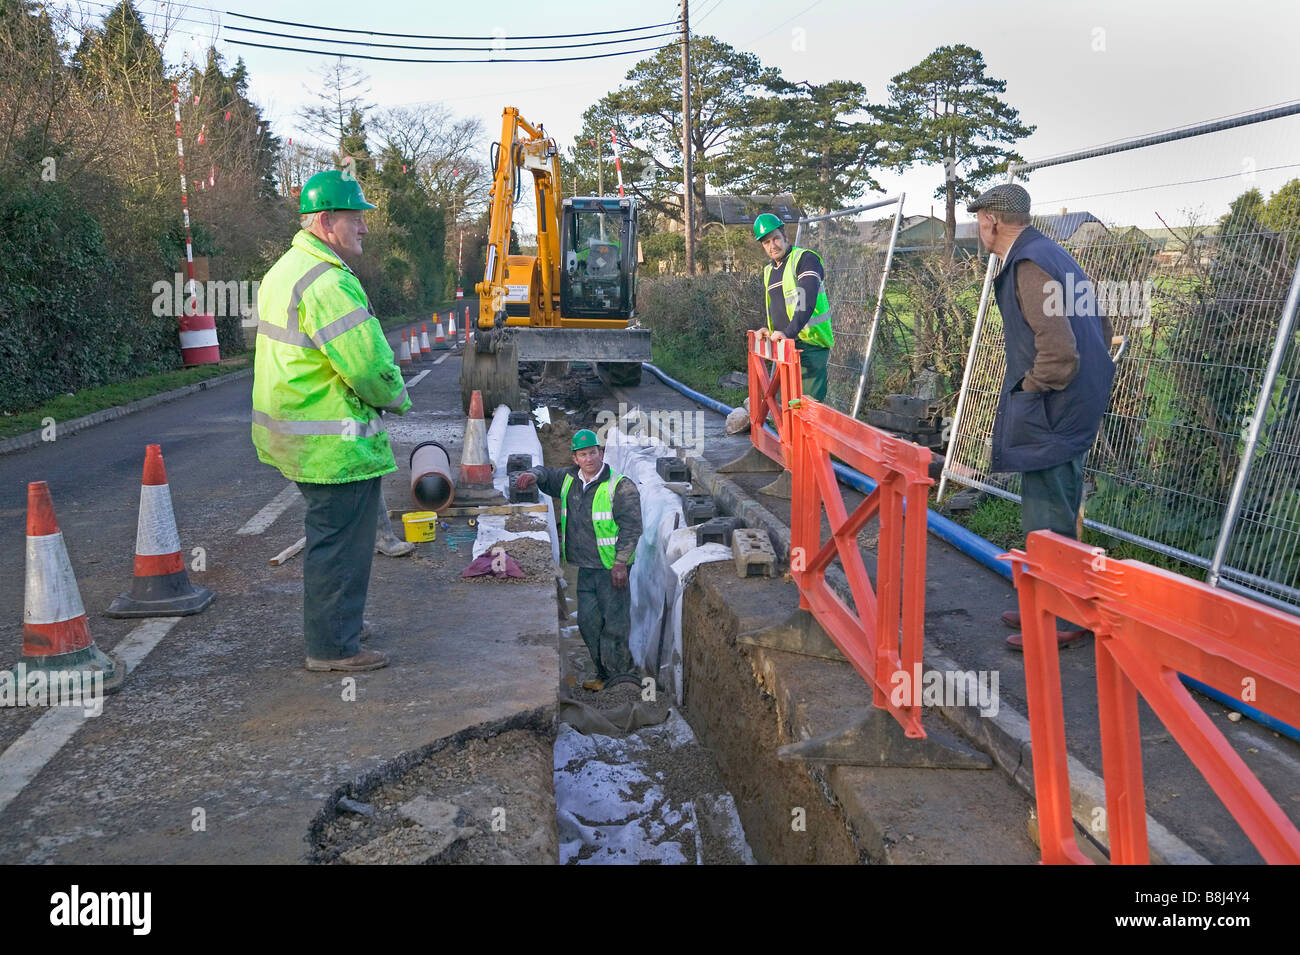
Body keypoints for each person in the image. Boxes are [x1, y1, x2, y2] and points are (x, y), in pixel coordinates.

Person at [251, 169, 411, 672]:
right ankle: (333, 648)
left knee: (335, 538)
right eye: (354, 218)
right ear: (326, 222)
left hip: (298, 434)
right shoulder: (327, 282)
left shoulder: (288, 269)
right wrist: (397, 396)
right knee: (340, 545)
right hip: (331, 441)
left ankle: (340, 629)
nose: (363, 227)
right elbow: (365, 366)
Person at [968, 183, 1115, 651]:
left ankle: (1063, 617)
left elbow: (1059, 353)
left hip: (1056, 405)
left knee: (1050, 512)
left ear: (991, 221)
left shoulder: (1029, 265)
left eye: (979, 220)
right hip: (1075, 403)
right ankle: (1048, 600)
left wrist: (1028, 392)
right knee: (1053, 501)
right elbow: (1103, 325)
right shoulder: (1053, 253)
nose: (978, 228)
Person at [514, 430, 642, 691]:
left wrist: (620, 563)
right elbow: (547, 474)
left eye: (593, 452)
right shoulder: (569, 479)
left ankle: (621, 682)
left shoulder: (620, 486)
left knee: (614, 626)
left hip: (611, 569)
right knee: (588, 622)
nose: (589, 459)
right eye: (583, 454)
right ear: (574, 458)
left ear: (601, 453)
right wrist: (533, 475)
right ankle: (602, 673)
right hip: (585, 568)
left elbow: (632, 528)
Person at [752, 213, 834, 401]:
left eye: (776, 239)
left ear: (785, 236)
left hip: (810, 346)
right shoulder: (768, 271)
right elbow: (776, 306)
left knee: (809, 408)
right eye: (766, 242)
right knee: (788, 406)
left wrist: (788, 332)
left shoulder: (805, 259)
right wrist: (768, 327)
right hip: (785, 347)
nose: (772, 246)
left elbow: (807, 299)